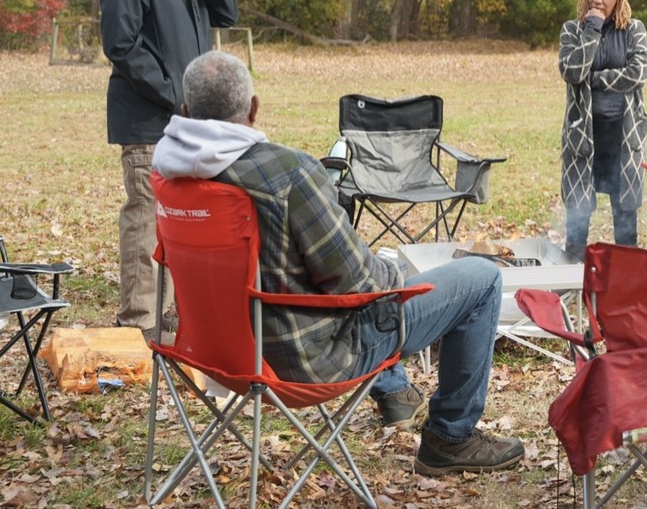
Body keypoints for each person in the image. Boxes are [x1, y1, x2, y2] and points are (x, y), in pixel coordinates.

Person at [151, 51, 525, 476]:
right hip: (305, 363)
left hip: (216, 355)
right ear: (253, 109)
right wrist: (400, 275)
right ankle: (450, 438)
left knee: (352, 288)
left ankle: (396, 391)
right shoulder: (287, 173)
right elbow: (359, 283)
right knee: (480, 277)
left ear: (185, 112)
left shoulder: (168, 177)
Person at [100, 0, 238, 341]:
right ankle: (139, 325)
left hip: (186, 123)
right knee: (146, 220)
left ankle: (172, 314)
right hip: (148, 120)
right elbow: (120, 43)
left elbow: (227, 14)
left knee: (180, 218)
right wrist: (173, 94)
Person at [558, 0, 647, 261]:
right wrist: (593, 29)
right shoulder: (572, 31)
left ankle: (627, 287)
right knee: (578, 217)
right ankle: (573, 283)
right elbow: (572, 71)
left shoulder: (634, 30)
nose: (597, 0)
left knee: (625, 217)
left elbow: (638, 73)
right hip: (584, 136)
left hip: (623, 137)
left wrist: (596, 79)